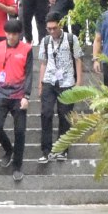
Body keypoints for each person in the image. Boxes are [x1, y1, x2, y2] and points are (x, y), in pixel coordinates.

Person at [34, 13, 82, 165]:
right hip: (49, 80)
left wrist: (78, 82)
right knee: (46, 113)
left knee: (64, 114)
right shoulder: (46, 41)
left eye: (54, 28)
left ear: (60, 25)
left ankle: (62, 149)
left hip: (67, 81)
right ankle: (46, 151)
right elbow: (43, 63)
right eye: (49, 29)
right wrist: (40, 84)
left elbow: (78, 60)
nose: (52, 31)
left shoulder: (71, 39)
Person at [0, 22, 33, 175]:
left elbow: (29, 73)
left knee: (20, 131)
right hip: (1, 92)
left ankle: (17, 166)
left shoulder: (27, 49)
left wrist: (27, 95)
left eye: (14, 34)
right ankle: (9, 149)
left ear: (19, 34)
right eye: (8, 33)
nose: (11, 36)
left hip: (19, 94)